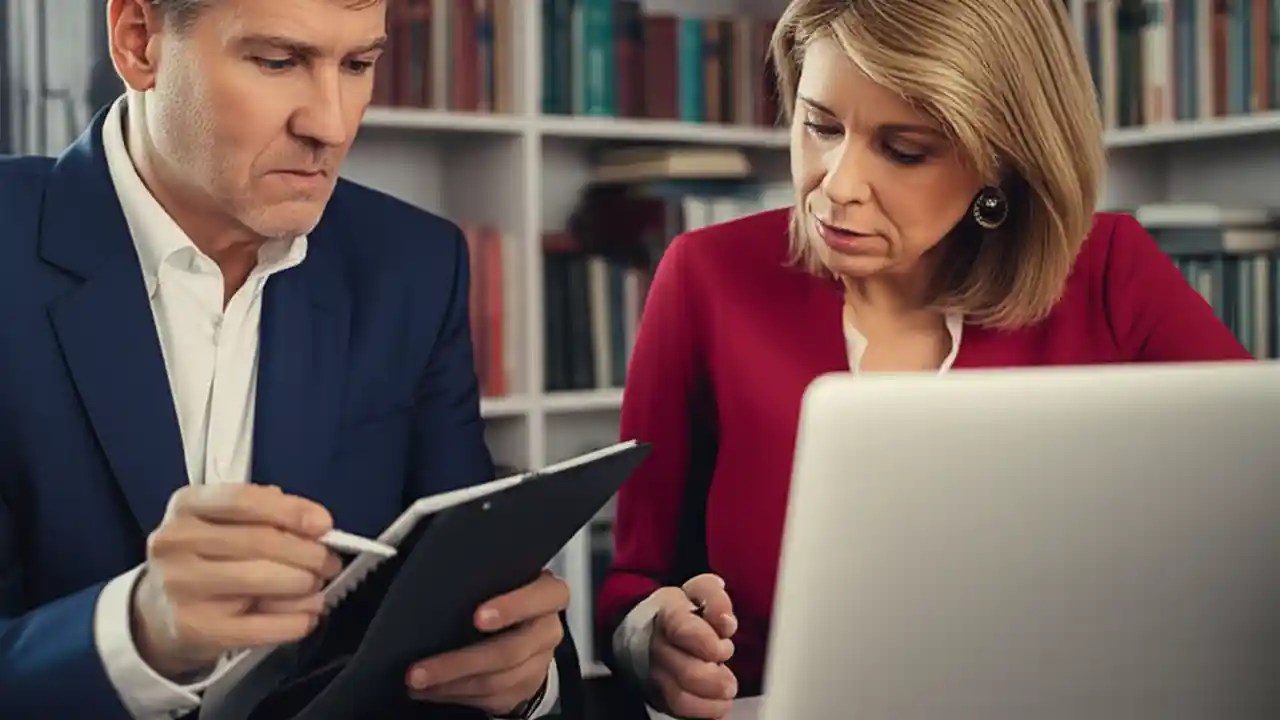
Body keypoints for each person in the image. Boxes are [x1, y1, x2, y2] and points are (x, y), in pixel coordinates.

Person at [596, 0, 1255, 718]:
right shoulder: (705, 276)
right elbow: (632, 580)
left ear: (1002, 157)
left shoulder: (1111, 273)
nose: (837, 184)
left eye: (904, 149)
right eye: (820, 126)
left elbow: (1259, 512)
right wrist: (651, 636)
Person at [0, 1, 574, 718]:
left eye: (359, 65)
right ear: (139, 41)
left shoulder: (414, 266)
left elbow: (471, 588)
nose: (330, 125)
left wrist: (524, 680)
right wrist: (134, 634)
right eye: (277, 61)